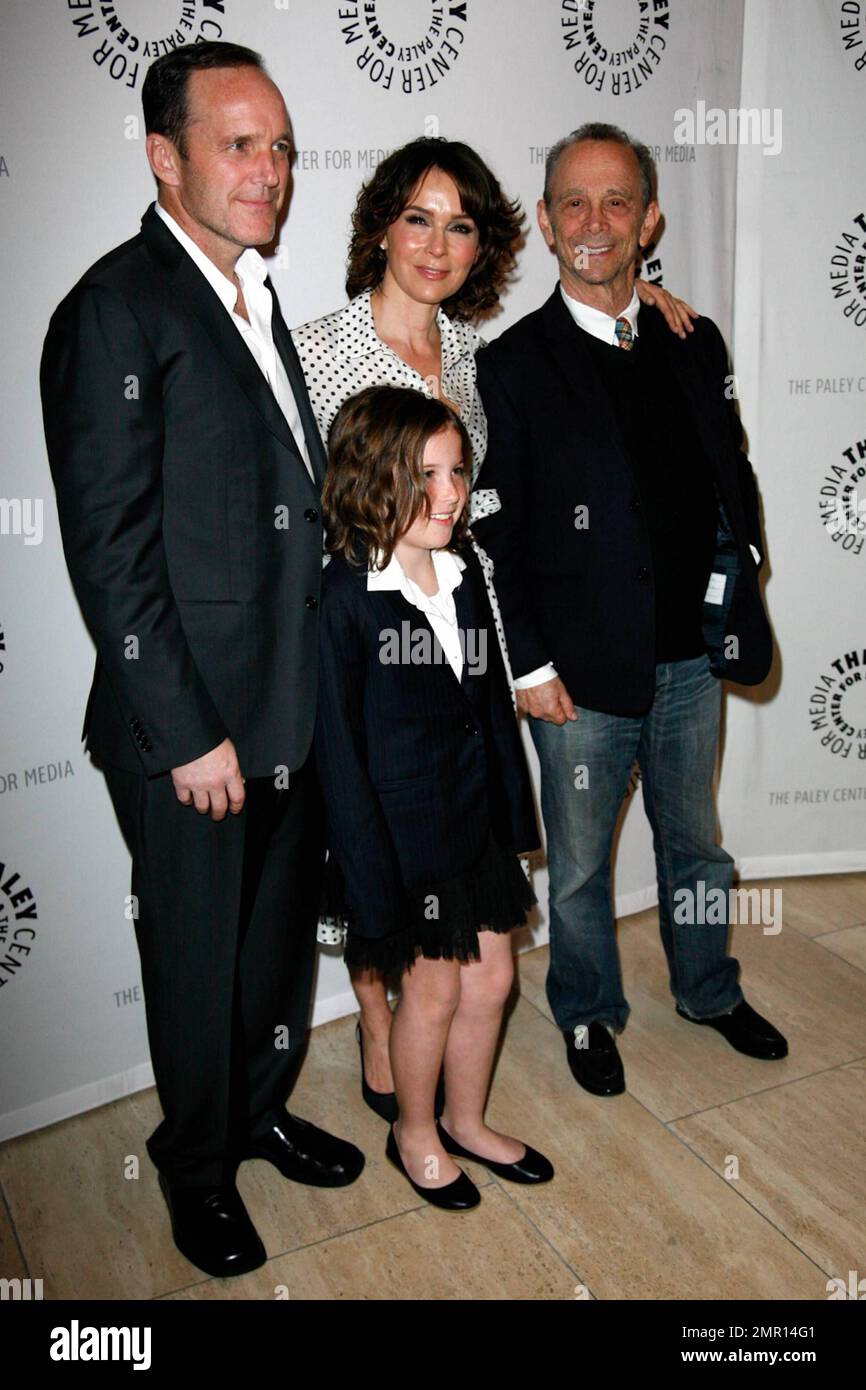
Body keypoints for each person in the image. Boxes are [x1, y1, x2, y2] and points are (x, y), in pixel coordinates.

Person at [39, 41, 363, 1281]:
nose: (269, 168)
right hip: (193, 730)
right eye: (240, 143)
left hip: (284, 708)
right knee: (192, 955)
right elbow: (110, 554)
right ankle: (196, 1168)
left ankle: (259, 1108)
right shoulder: (117, 308)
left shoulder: (252, 295)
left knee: (273, 944)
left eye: (279, 145)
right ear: (164, 156)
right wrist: (184, 732)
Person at [292, 135, 699, 1120]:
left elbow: (522, 472)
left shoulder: (476, 354)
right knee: (373, 846)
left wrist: (642, 300)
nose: (437, 244)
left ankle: (430, 1067)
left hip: (462, 642)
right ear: (382, 227)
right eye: (418, 218)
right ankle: (382, 1028)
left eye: (460, 224)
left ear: (482, 243)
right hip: (365, 648)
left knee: (452, 838)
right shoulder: (311, 351)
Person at [471, 122, 787, 1100]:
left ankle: (704, 987)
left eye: (616, 202)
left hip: (689, 663)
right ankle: (584, 1012)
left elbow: (725, 476)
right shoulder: (513, 364)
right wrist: (527, 664)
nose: (594, 221)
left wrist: (738, 588)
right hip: (577, 677)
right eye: (573, 201)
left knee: (694, 842)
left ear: (648, 217)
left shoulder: (692, 339)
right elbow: (499, 534)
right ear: (545, 222)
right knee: (574, 870)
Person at [315, 385, 553, 1209]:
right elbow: (339, 757)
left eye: (457, 472)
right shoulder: (346, 597)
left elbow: (488, 713)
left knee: (493, 984)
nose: (451, 494)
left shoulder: (461, 577)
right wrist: (370, 877)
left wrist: (515, 827)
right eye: (427, 475)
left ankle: (466, 1120)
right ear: (369, 478)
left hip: (473, 825)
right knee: (435, 991)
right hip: (399, 841)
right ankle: (413, 1131)